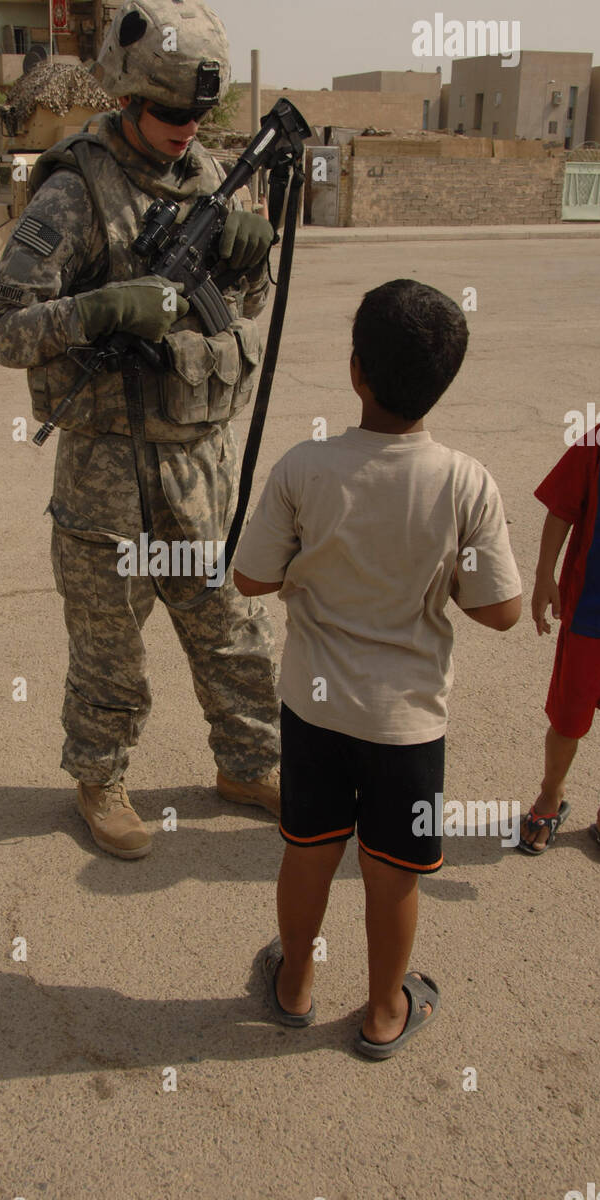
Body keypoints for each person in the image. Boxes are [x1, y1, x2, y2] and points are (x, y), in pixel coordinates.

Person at [0, 0, 281, 859]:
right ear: (123, 95)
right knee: (108, 645)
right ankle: (100, 778)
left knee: (230, 629)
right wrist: (103, 308)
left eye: (198, 113)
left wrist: (248, 258)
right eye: (168, 112)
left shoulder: (211, 182)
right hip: (107, 471)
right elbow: (3, 331)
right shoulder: (73, 194)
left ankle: (249, 760)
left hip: (200, 461)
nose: (186, 129)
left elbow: (245, 308)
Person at [233, 279, 522, 1057]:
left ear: (355, 370)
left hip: (314, 709)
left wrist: (308, 560)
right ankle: (384, 1012)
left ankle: (292, 985)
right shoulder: (464, 482)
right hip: (407, 722)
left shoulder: (305, 467)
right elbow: (500, 611)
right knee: (394, 870)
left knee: (309, 847)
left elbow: (249, 578)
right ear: (445, 380)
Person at [518, 424, 600, 854]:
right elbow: (562, 510)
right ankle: (550, 795)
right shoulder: (597, 442)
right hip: (591, 614)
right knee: (569, 718)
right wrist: (543, 576)